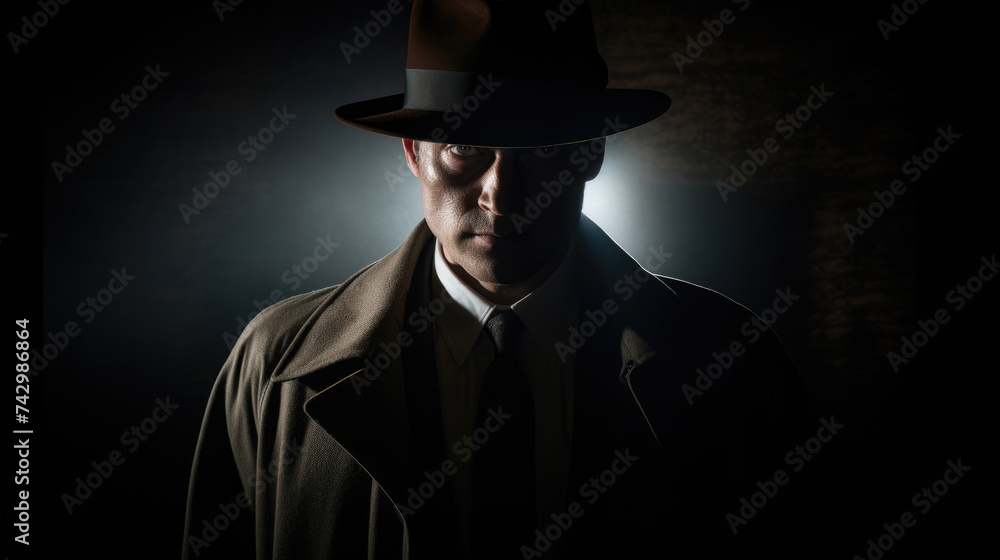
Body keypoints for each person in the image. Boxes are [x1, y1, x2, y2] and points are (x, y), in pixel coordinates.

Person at [182, 1, 818, 558]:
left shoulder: (732, 360)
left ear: (591, 152)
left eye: (541, 149)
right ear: (414, 154)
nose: (502, 195)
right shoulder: (274, 364)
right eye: (465, 147)